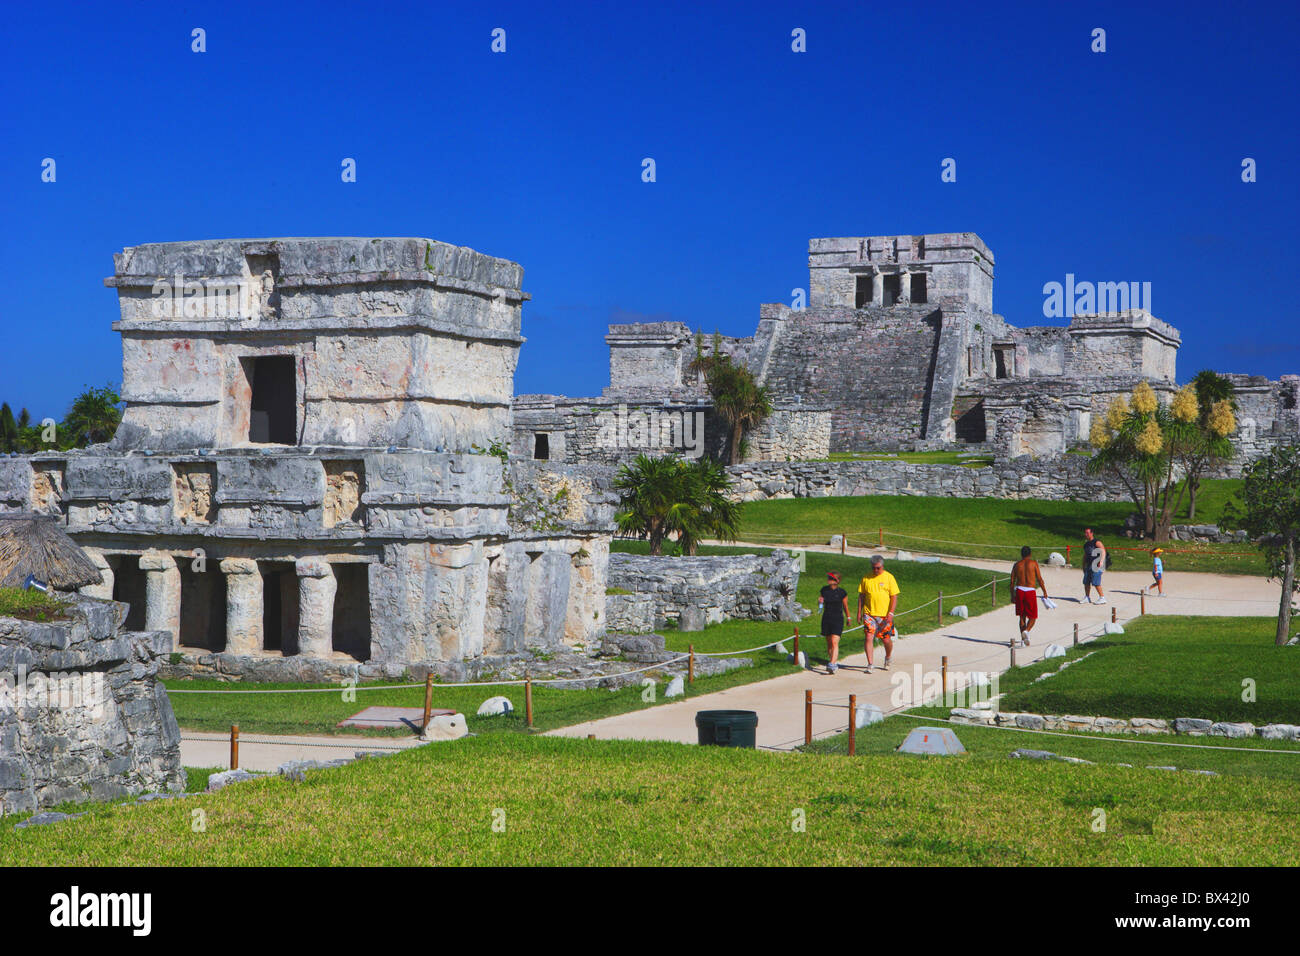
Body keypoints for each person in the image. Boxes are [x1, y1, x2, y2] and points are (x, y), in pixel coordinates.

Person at [857, 555, 900, 671]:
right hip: (869, 613)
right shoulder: (866, 578)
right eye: (873, 568)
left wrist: (891, 613)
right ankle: (870, 664)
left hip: (884, 615)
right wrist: (859, 612)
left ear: (882, 566)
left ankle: (888, 656)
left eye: (878, 568)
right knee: (868, 636)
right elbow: (861, 596)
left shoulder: (889, 578)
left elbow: (894, 597)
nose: (875, 570)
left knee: (886, 639)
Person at [1011, 546, 1050, 647]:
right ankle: (1027, 631)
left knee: (1022, 617)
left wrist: (1012, 595)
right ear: (1030, 554)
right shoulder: (1034, 564)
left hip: (1019, 590)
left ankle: (1023, 640)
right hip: (1030, 591)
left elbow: (1012, 582)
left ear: (1021, 554)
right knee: (1033, 617)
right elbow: (1039, 579)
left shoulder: (1016, 565)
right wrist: (1045, 591)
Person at [817, 571, 850, 674]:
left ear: (837, 581)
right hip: (826, 618)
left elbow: (845, 606)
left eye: (831, 578)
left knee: (834, 641)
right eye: (828, 577)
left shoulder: (842, 592)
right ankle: (832, 661)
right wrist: (820, 603)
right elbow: (821, 605)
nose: (828, 579)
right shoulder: (824, 590)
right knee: (829, 642)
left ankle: (832, 664)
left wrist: (848, 617)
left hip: (837, 619)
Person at [1081, 527, 1107, 604]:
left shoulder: (1096, 542)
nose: (1086, 534)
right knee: (1086, 581)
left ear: (1092, 533)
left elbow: (1103, 551)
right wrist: (1083, 565)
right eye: (1085, 533)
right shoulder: (1086, 544)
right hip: (1088, 565)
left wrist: (1101, 561)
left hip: (1097, 565)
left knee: (1096, 582)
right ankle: (1087, 597)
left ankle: (1102, 597)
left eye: (1088, 533)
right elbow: (1085, 555)